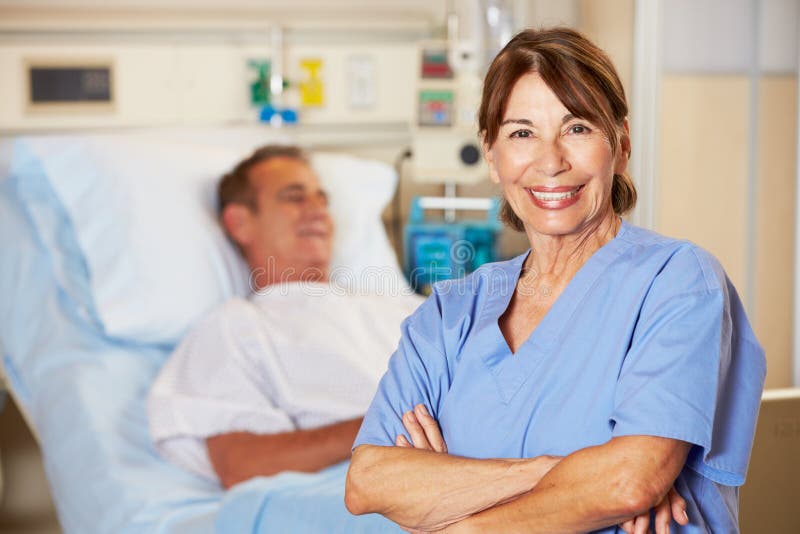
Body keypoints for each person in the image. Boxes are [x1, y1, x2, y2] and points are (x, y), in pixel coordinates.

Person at [345, 27, 766, 534]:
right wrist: (554, 473)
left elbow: (629, 483)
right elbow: (367, 481)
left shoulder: (676, 283)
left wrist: (461, 518)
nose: (551, 162)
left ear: (621, 144)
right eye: (522, 133)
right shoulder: (448, 314)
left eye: (578, 129)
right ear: (492, 154)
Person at [147, 145, 422, 489]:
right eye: (295, 198)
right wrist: (386, 424)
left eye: (323, 200)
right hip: (362, 487)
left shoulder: (400, 308)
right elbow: (241, 463)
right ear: (240, 222)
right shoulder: (234, 327)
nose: (318, 211)